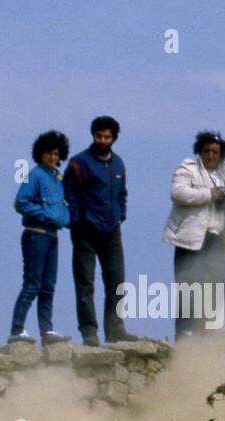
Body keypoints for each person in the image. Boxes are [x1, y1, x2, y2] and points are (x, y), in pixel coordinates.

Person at [63, 116, 140, 345]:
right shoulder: (79, 163)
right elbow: (69, 192)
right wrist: (77, 220)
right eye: (98, 136)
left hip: (111, 230)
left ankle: (115, 328)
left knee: (117, 281)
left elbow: (122, 192)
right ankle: (89, 331)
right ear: (93, 135)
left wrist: (121, 214)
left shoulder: (118, 164)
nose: (102, 140)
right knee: (85, 282)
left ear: (114, 138)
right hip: (85, 230)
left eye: (107, 137)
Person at [164, 131, 225, 339]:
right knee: (188, 284)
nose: (211, 155)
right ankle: (184, 334)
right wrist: (209, 194)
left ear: (221, 153)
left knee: (219, 283)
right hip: (190, 237)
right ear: (200, 151)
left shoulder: (224, 173)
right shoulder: (187, 168)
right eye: (206, 151)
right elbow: (178, 193)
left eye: (215, 151)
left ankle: (206, 330)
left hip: (215, 236)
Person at [8, 131, 73, 345]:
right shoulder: (34, 175)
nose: (52, 157)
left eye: (56, 153)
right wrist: (46, 216)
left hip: (53, 236)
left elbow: (64, 207)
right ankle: (17, 329)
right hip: (35, 236)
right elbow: (21, 202)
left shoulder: (58, 179)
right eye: (48, 153)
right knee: (32, 284)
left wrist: (64, 219)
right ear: (40, 153)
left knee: (48, 285)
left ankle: (47, 331)